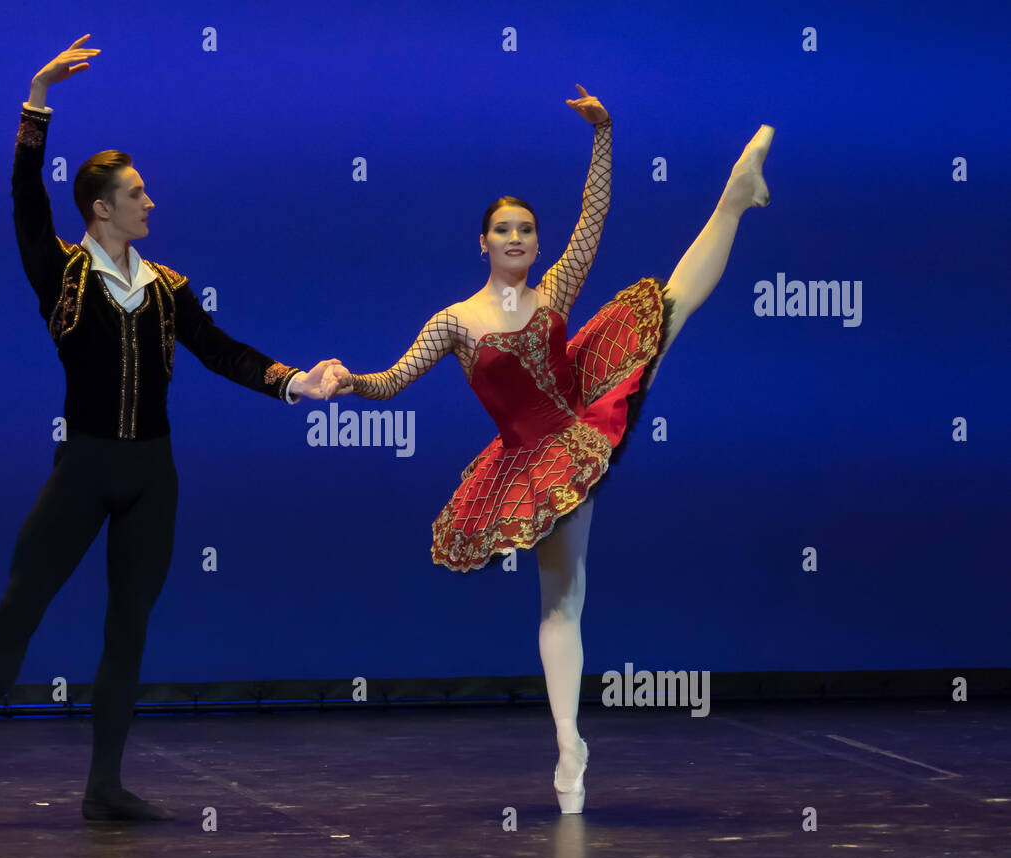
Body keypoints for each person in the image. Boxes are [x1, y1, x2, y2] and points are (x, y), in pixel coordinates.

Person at [0, 35, 344, 825]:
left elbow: (223, 352)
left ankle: (103, 785)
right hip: (83, 469)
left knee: (127, 630)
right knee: (19, 611)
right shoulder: (62, 275)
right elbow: (23, 200)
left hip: (153, 476)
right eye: (138, 194)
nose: (152, 203)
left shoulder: (169, 287)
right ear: (101, 208)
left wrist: (295, 383)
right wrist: (37, 100)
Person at [329, 84, 774, 813]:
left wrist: (603, 135)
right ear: (482, 242)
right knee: (563, 599)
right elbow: (395, 380)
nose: (515, 238)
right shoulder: (455, 323)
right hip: (532, 463)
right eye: (503, 229)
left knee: (670, 305)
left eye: (526, 230)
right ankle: (570, 743)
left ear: (536, 244)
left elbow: (593, 218)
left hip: (587, 405)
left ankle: (733, 194)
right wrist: (351, 382)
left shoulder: (554, 290)